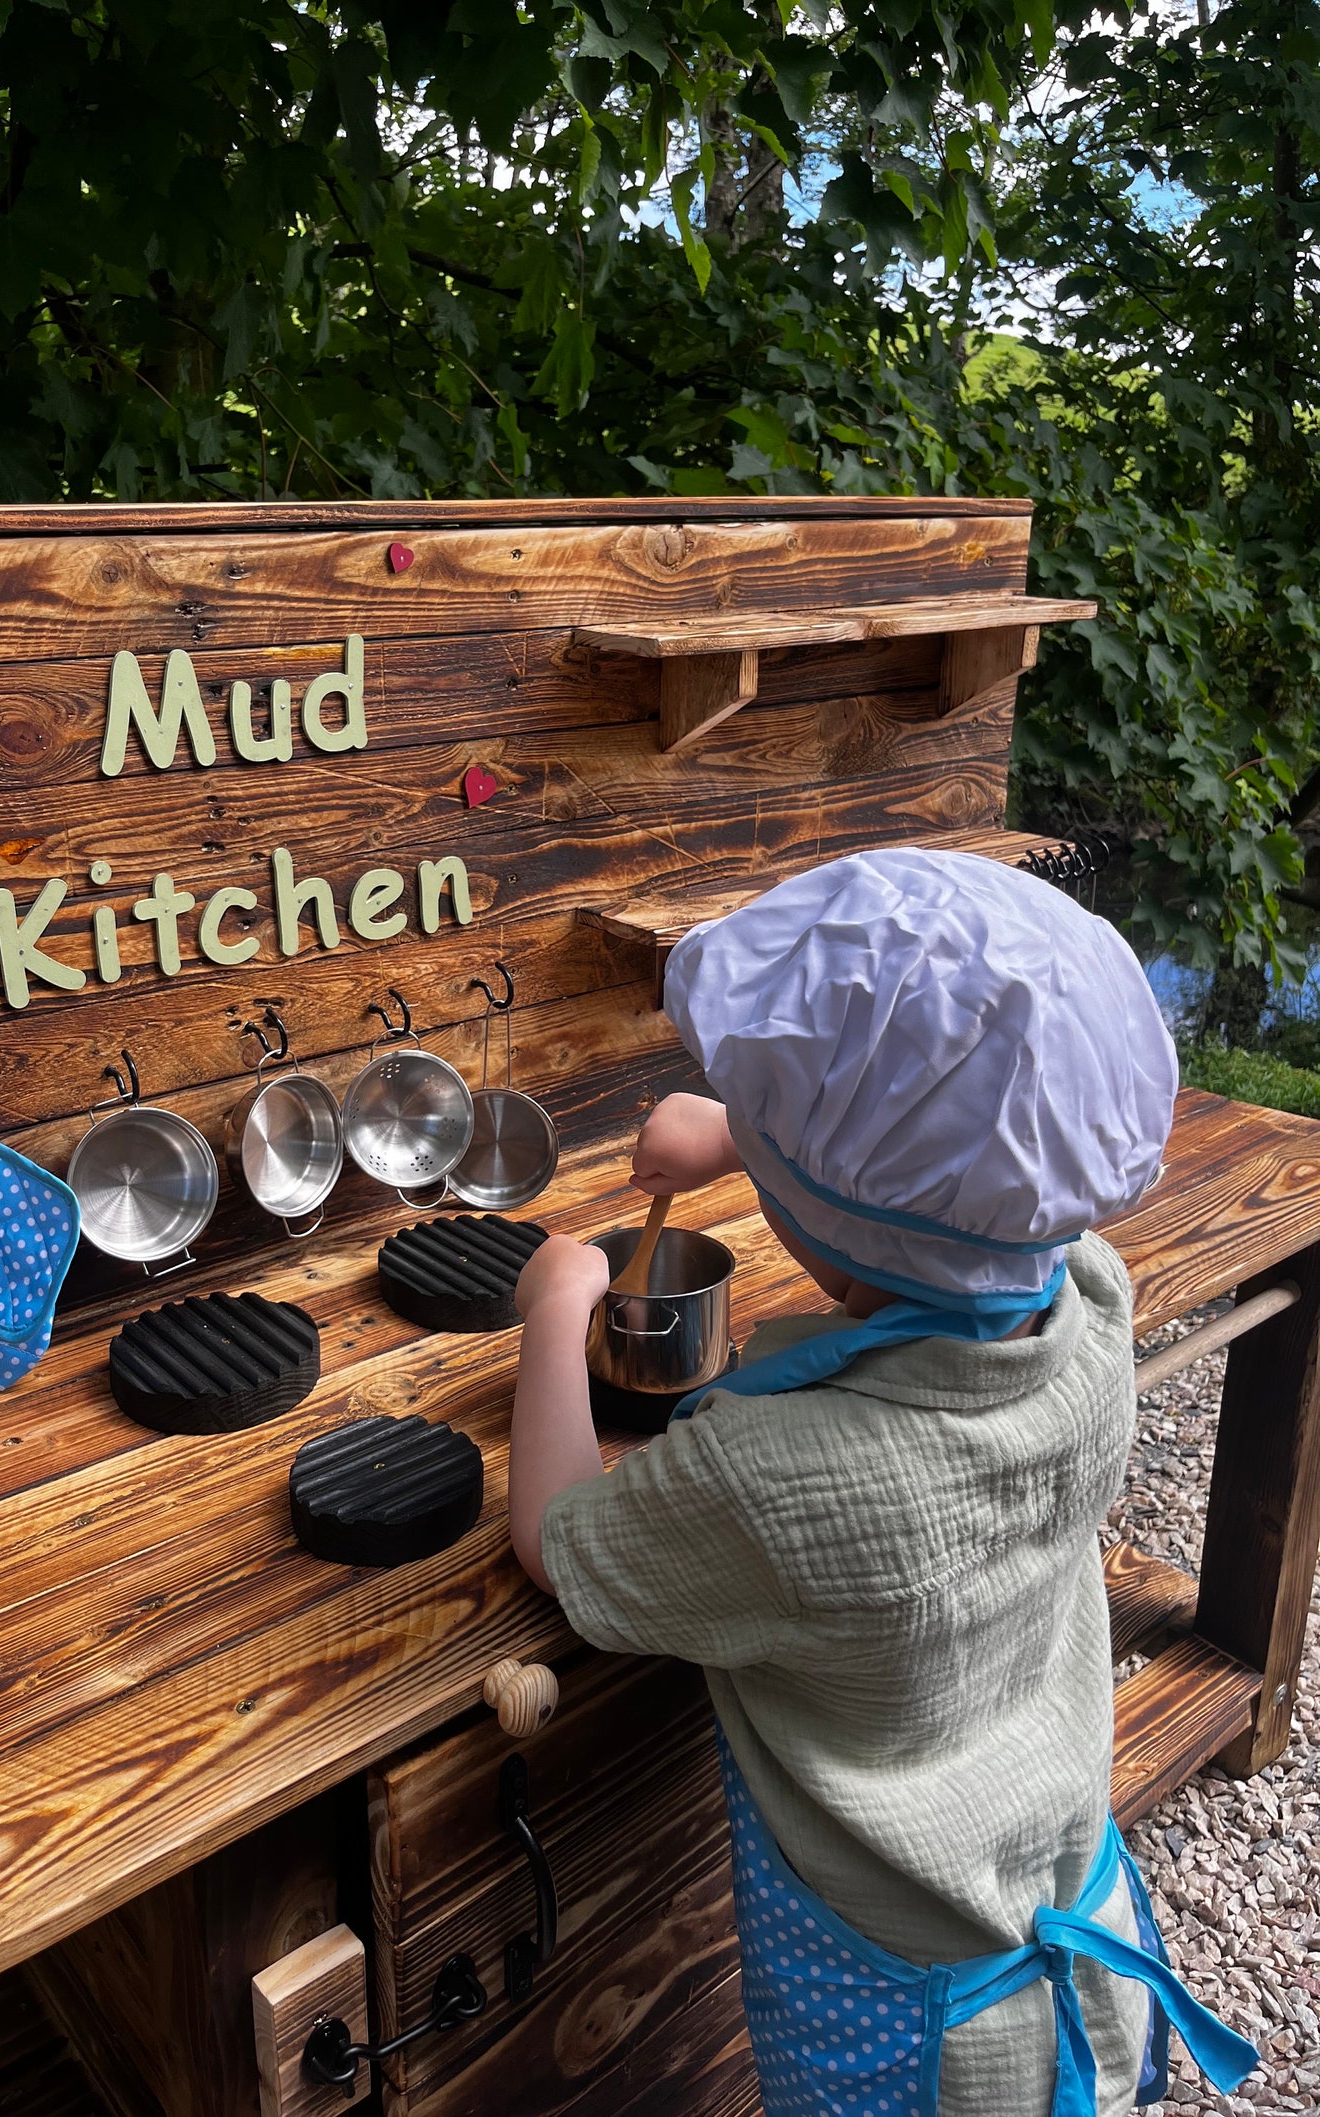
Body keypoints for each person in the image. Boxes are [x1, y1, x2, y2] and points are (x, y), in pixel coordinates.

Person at [507, 846, 1258, 2117]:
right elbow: (969, 1171)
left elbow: (561, 1538)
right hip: (1075, 1908)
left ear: (824, 1208)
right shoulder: (1087, 1307)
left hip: (905, 2034)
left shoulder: (779, 1480)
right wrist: (745, 1134)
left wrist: (553, 1313)